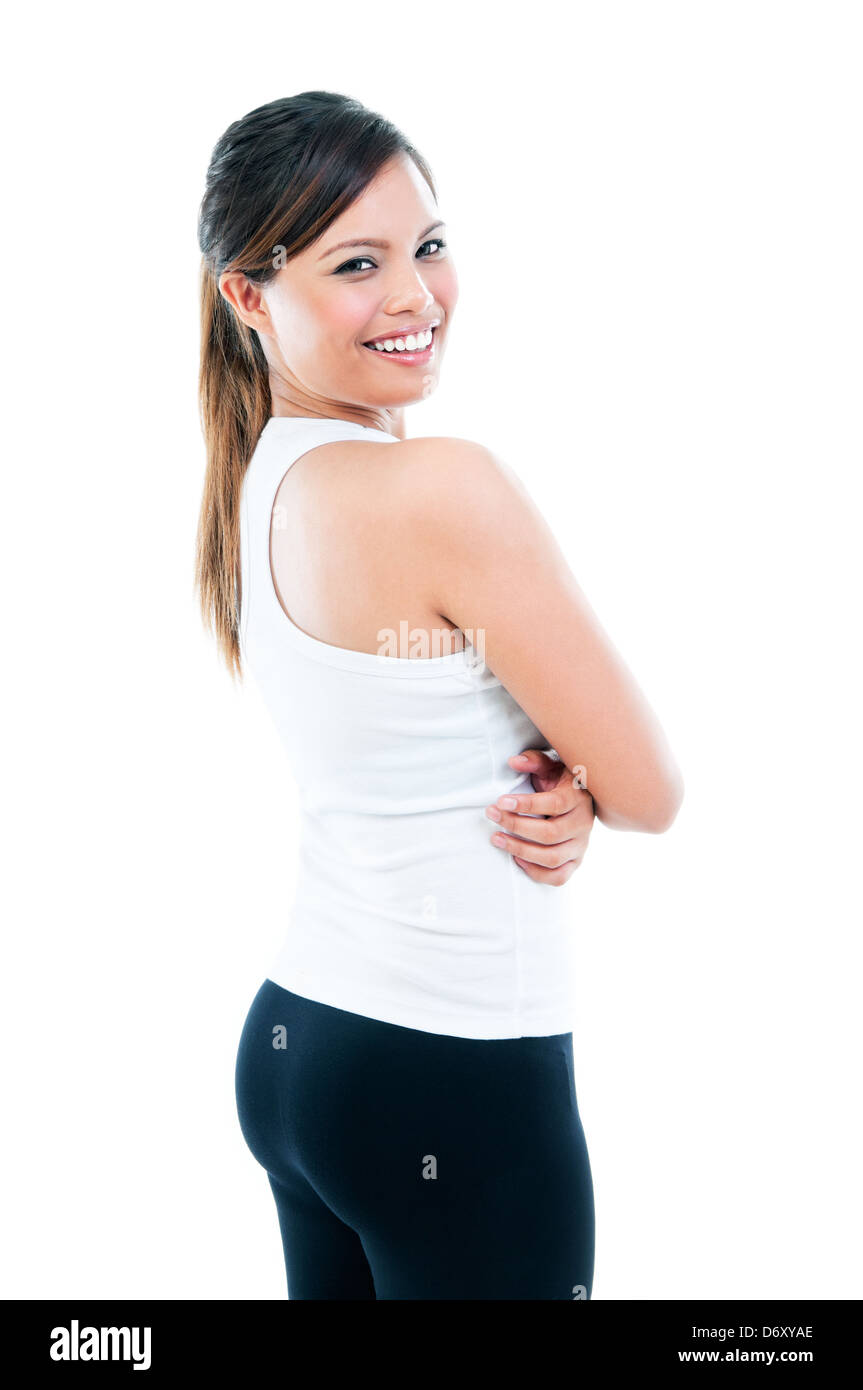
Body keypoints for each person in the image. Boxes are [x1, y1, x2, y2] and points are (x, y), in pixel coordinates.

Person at [195, 91, 684, 1300]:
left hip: (301, 1050)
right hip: (451, 1077)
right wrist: (586, 783)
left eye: (427, 244)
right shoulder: (441, 489)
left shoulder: (258, 478)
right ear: (247, 297)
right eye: (356, 263)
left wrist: (561, 778)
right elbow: (654, 791)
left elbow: (407, 728)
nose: (415, 295)